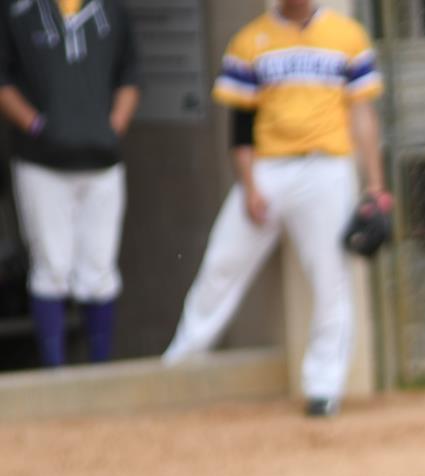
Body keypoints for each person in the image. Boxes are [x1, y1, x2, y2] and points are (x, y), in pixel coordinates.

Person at [161, 0, 388, 418]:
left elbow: (362, 114)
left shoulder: (346, 35)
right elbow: (241, 126)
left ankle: (324, 387)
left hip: (326, 167)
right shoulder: (250, 41)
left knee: (330, 278)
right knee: (222, 263)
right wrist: (248, 184)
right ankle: (180, 365)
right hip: (268, 168)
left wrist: (375, 186)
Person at [0, 0, 139, 368]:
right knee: (52, 267)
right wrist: (36, 126)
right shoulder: (17, 10)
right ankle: (55, 376)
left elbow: (130, 74)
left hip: (102, 161)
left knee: (99, 269)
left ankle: (99, 372)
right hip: (41, 162)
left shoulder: (112, 9)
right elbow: (3, 80)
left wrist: (115, 126)